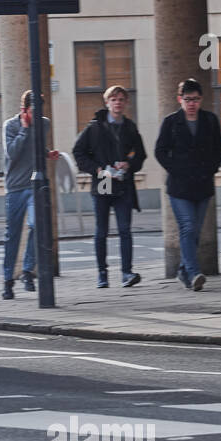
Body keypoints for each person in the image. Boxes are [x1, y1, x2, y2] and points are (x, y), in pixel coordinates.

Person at [154, 78, 221, 291]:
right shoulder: (171, 122)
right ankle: (194, 273)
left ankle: (184, 271)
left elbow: (219, 148)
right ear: (180, 100)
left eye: (195, 99)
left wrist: (211, 169)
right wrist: (176, 169)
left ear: (201, 99)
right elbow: (160, 151)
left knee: (195, 231)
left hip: (203, 184)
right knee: (188, 226)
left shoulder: (210, 120)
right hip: (179, 186)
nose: (192, 103)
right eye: (187, 99)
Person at [73, 85, 146, 289]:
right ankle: (102, 274)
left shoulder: (130, 127)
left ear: (126, 103)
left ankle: (126, 272)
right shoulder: (95, 127)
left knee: (125, 229)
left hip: (123, 182)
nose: (118, 103)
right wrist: (97, 170)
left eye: (121, 99)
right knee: (102, 230)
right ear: (107, 102)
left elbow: (141, 154)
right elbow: (78, 153)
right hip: (104, 180)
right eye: (114, 99)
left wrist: (129, 164)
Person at [1, 90, 60, 299]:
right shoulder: (10, 126)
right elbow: (13, 153)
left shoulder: (43, 124)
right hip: (15, 188)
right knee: (12, 235)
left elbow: (36, 147)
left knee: (37, 225)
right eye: (33, 111)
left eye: (40, 111)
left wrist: (47, 152)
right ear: (24, 110)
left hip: (34, 187)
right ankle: (7, 280)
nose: (37, 116)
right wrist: (24, 130)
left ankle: (27, 271)